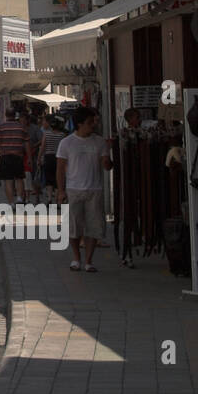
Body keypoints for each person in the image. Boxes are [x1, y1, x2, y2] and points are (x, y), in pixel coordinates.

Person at [56, 106, 113, 272]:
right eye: (90, 122)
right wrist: (61, 191)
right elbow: (60, 168)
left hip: (94, 190)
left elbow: (107, 166)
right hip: (74, 190)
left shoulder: (100, 142)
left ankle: (88, 261)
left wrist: (108, 159)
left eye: (94, 122)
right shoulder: (66, 143)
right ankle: (76, 258)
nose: (93, 125)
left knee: (94, 227)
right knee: (74, 227)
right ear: (79, 124)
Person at [0, 107, 30, 204]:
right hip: (18, 156)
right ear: (15, 115)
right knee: (19, 178)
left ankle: (11, 203)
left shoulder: (1, 127)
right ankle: (19, 198)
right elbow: (27, 143)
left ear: (5, 115)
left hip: (5, 157)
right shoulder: (21, 127)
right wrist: (29, 158)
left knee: (8, 180)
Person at [41, 116, 66, 204]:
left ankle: (49, 199)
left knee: (48, 179)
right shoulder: (62, 135)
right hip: (58, 158)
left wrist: (40, 157)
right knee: (57, 179)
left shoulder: (46, 134)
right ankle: (57, 200)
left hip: (48, 157)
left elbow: (43, 146)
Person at [26, 112, 45, 203]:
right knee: (24, 177)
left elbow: (41, 140)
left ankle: (37, 195)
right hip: (23, 155)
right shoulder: (20, 128)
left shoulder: (35, 129)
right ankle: (25, 197)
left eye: (24, 120)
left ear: (28, 120)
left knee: (34, 176)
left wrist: (34, 146)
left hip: (33, 155)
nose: (22, 122)